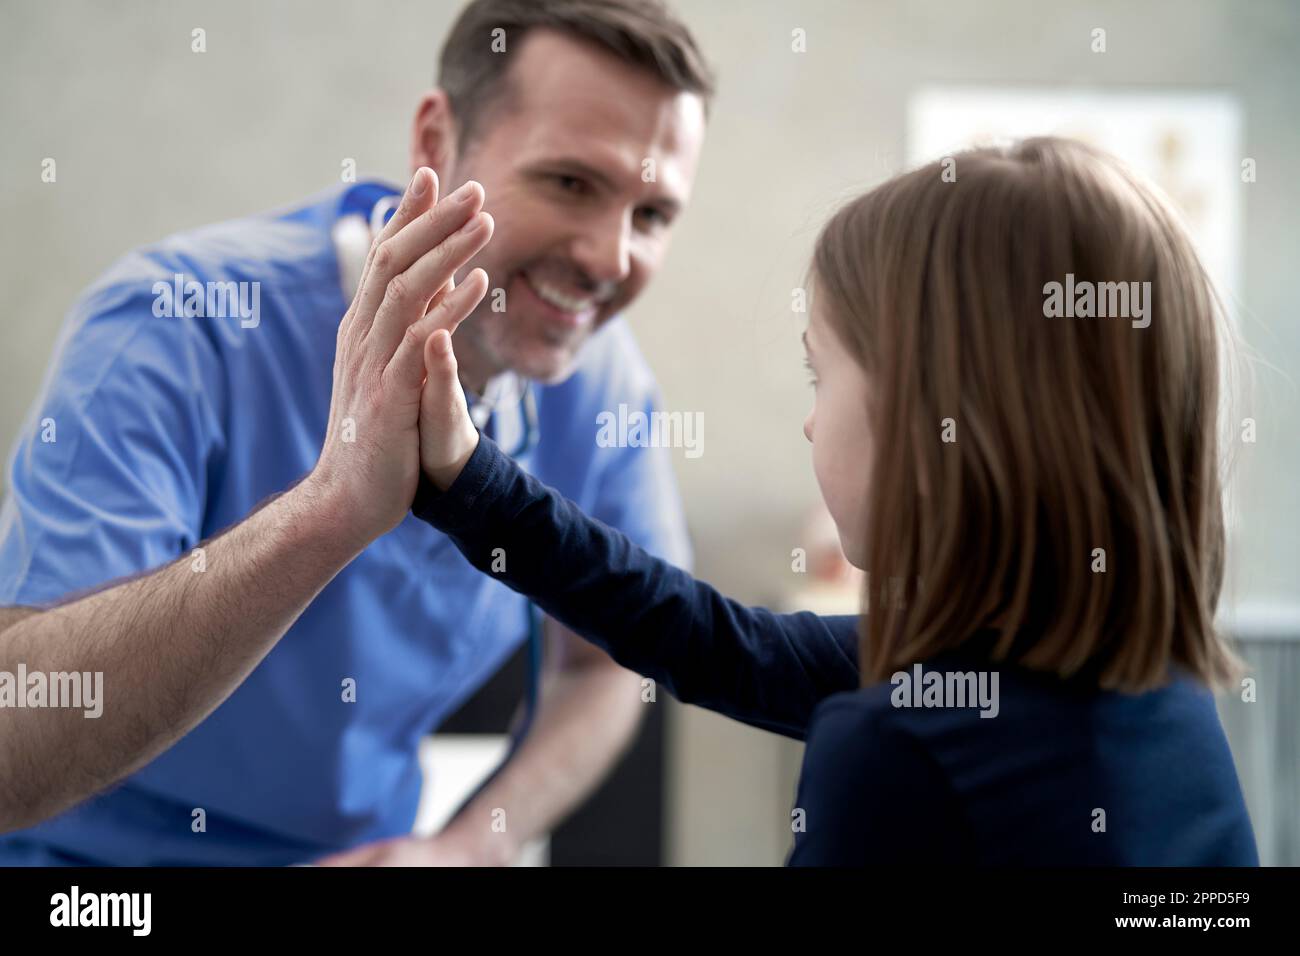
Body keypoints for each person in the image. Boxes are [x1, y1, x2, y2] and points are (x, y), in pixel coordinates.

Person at [409, 137, 1259, 864]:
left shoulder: (899, 752)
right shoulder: (1162, 694)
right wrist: (468, 476)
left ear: (934, 421)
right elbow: (714, 643)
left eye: (822, 375)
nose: (812, 426)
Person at [0, 0, 711, 865]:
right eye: (570, 183)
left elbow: (607, 663)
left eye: (653, 217)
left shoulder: (599, 383)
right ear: (436, 141)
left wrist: (467, 847)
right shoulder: (176, 326)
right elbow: (16, 748)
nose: (610, 259)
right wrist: (331, 512)